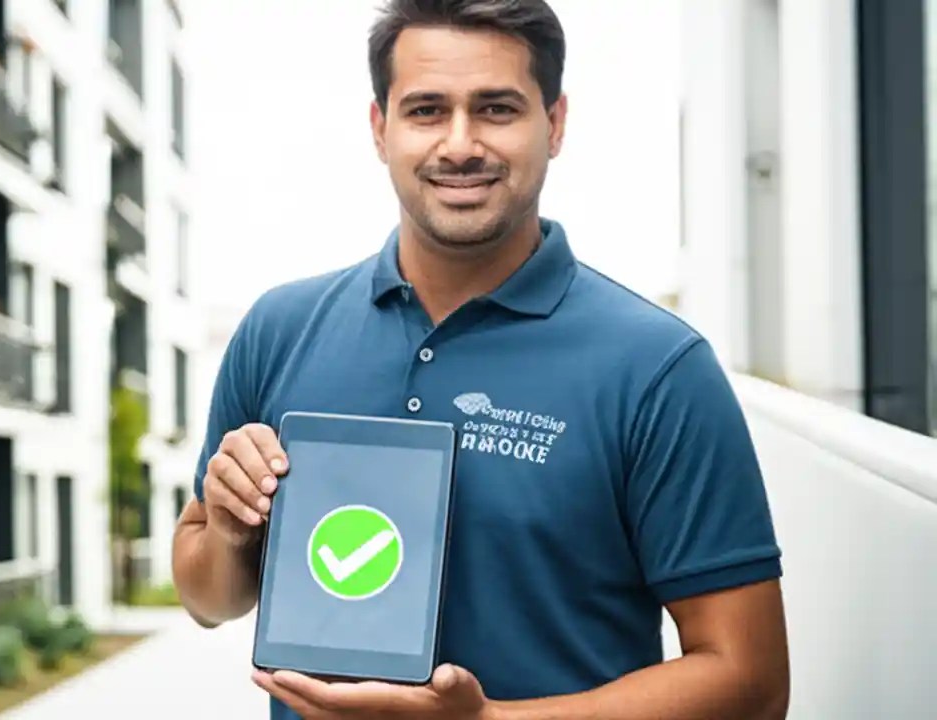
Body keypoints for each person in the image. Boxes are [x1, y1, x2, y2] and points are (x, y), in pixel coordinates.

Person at [171, 0, 791, 718]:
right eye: (426, 110)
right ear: (380, 129)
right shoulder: (280, 330)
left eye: (496, 109)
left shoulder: (657, 367)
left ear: (554, 124)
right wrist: (228, 530)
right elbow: (207, 599)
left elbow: (752, 683)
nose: (460, 144)